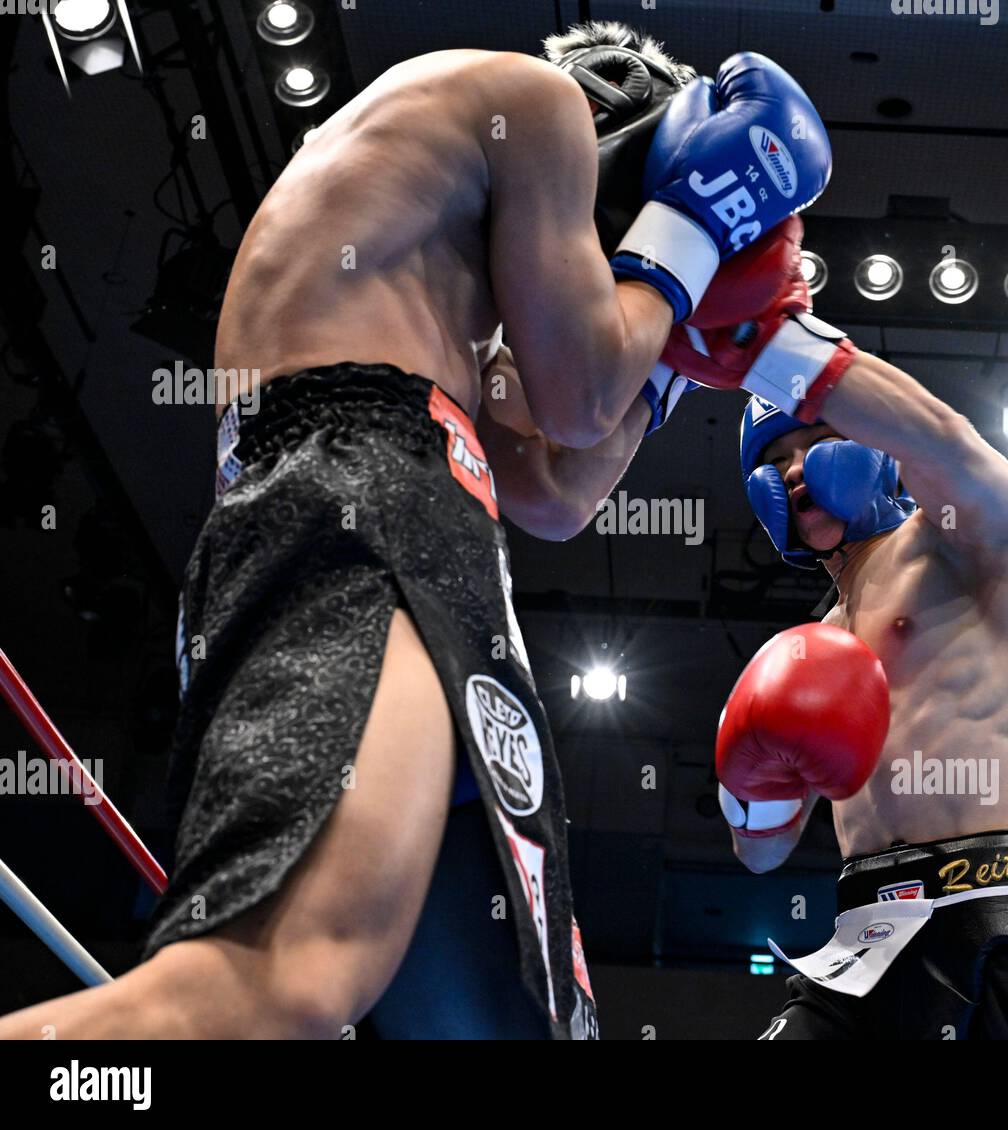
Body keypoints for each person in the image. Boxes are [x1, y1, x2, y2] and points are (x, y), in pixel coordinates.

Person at [0, 21, 830, 1040]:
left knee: (511, 1023)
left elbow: (558, 491)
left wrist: (662, 356)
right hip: (356, 494)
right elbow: (575, 401)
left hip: (409, 515)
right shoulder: (535, 101)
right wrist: (689, 238)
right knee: (283, 979)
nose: (600, 263)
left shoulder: (427, 269)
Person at [668, 222, 1008, 1039]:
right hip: (869, 941)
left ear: (876, 450)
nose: (796, 472)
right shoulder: (814, 651)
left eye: (816, 444)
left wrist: (771, 345)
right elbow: (763, 857)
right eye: (774, 464)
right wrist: (751, 782)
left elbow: (944, 440)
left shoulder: (965, 538)